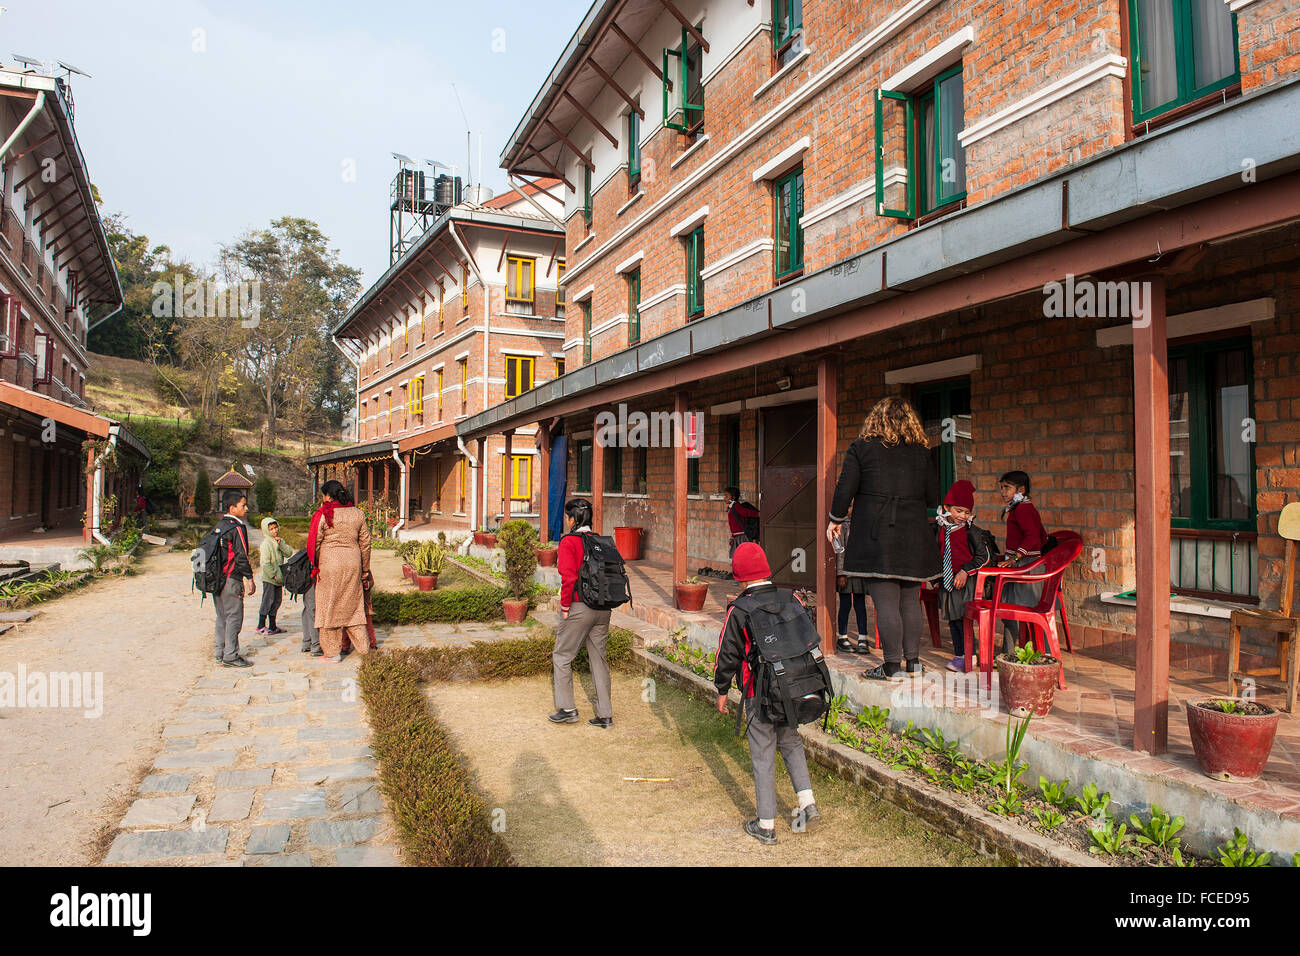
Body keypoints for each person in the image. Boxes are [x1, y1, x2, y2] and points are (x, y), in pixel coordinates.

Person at [826, 396, 939, 682]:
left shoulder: (862, 448)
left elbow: (845, 488)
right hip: (914, 532)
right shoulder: (922, 452)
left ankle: (891, 668)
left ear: (875, 419)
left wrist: (835, 519)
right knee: (910, 599)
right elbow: (934, 496)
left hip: (878, 535)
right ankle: (913, 663)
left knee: (886, 601)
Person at [713, 542, 820, 845]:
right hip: (794, 687)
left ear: (740, 578)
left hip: (758, 691)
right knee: (790, 742)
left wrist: (722, 689)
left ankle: (766, 825)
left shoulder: (739, 608)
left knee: (762, 755)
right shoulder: (793, 599)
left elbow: (727, 653)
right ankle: (807, 804)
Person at [550, 497, 613, 727]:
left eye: (567, 517)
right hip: (603, 608)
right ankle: (605, 715)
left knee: (562, 655)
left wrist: (565, 608)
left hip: (579, 606)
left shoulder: (569, 542)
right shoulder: (599, 541)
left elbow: (569, 578)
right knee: (599, 659)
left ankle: (567, 709)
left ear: (572, 519)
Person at [931, 480, 995, 672]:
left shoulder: (972, 532)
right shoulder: (940, 530)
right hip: (947, 582)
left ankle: (968, 655)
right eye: (958, 511)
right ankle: (962, 654)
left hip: (966, 583)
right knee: (952, 619)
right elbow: (936, 553)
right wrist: (935, 578)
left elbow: (984, 557)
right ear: (947, 508)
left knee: (963, 618)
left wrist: (965, 570)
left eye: (967, 512)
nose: (963, 516)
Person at [308, 480, 372, 663]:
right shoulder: (358, 514)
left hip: (329, 565)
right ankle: (363, 649)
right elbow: (365, 544)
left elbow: (314, 543)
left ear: (328, 496)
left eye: (323, 495)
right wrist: (365, 568)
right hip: (353, 563)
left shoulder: (323, 514)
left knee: (329, 608)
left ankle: (332, 653)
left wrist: (318, 563)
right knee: (354, 607)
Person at [996, 470, 1049, 656]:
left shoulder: (1024, 508)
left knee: (1034, 614)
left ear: (1022, 489)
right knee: (1008, 611)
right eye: (1001, 487)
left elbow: (1034, 536)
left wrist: (1017, 557)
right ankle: (1007, 653)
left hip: (1027, 568)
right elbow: (1040, 535)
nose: (1003, 491)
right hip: (1019, 566)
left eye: (1007, 487)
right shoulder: (1016, 507)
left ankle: (1046, 655)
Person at [212, 489, 256, 668]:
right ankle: (231, 655)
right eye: (243, 505)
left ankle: (220, 651)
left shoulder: (219, 526)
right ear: (232, 507)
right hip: (231, 578)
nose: (246, 508)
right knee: (234, 617)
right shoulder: (237, 527)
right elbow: (241, 555)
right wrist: (249, 578)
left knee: (222, 616)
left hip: (216, 579)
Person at [835, 523, 870, 654]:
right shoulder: (842, 526)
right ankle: (842, 636)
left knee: (860, 606)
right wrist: (840, 573)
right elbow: (839, 551)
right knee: (845, 605)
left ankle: (863, 637)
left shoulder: (862, 522)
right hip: (846, 572)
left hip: (860, 571)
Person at [257, 516, 293, 634]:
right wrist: (273, 575)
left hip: (279, 578)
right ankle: (261, 625)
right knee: (267, 601)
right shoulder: (266, 544)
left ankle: (272, 625)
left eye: (275, 527)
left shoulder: (278, 541)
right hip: (270, 578)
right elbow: (265, 562)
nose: (274, 530)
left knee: (277, 601)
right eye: (271, 529)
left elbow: (288, 553)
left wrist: (281, 543)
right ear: (266, 530)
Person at [724, 486, 760, 558]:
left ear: (733, 497)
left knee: (744, 557)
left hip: (742, 538)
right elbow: (735, 525)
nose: (724, 498)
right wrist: (732, 537)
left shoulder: (736, 506)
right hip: (737, 537)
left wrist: (758, 514)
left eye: (726, 496)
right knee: (738, 557)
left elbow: (746, 512)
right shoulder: (732, 507)